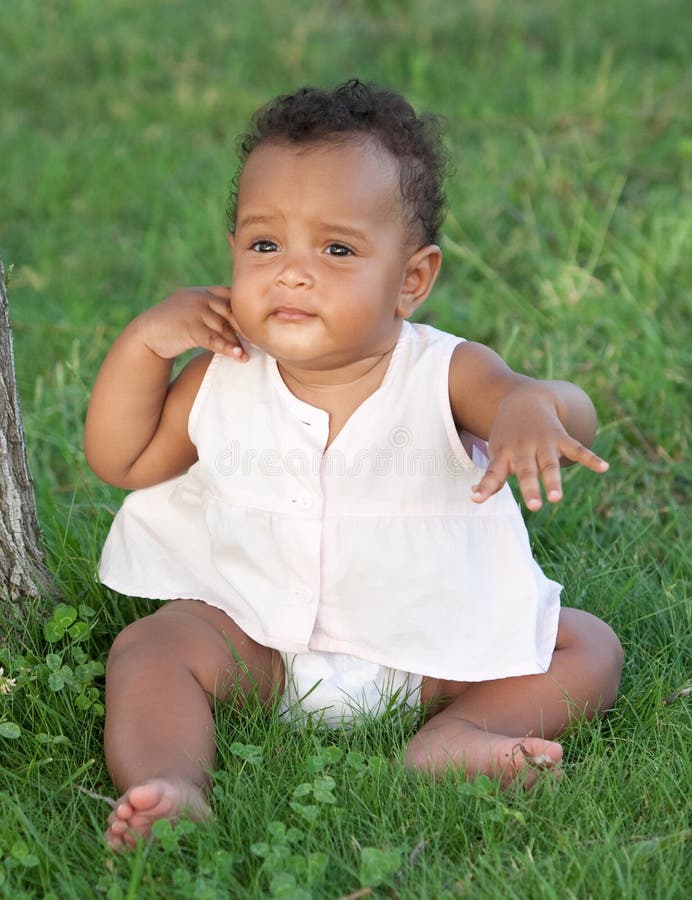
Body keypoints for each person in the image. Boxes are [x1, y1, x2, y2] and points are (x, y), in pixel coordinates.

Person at [84, 80, 623, 850]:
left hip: (430, 652)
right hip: (258, 642)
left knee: (588, 647)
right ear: (234, 250)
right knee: (151, 647)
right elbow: (124, 459)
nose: (293, 272)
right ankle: (172, 779)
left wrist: (532, 409)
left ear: (411, 279)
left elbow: (560, 406)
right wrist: (144, 343)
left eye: (336, 249)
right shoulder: (223, 370)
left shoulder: (444, 372)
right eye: (265, 245)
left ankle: (455, 737)